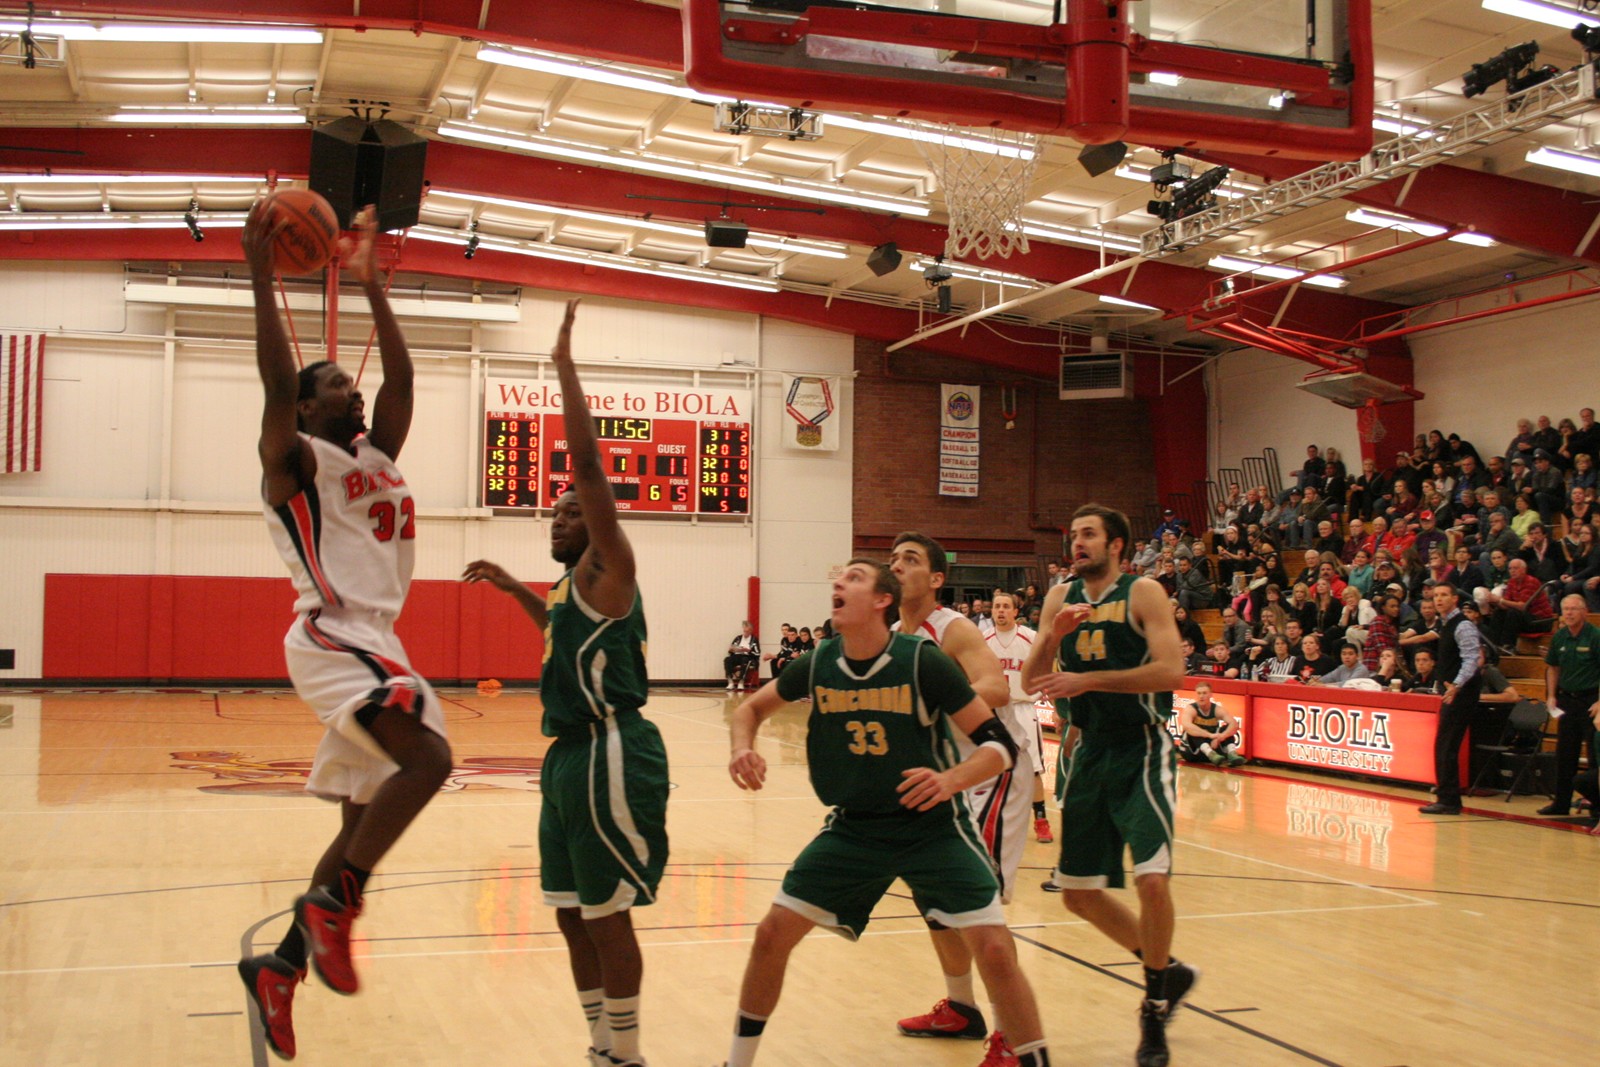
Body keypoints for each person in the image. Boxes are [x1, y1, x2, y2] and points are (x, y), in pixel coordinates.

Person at [237, 205, 454, 1061]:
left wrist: (370, 287)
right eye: (335, 386)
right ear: (303, 406)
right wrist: (260, 274)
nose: (354, 393)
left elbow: (401, 379)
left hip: (377, 640)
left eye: (351, 387)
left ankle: (283, 964)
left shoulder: (378, 452)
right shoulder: (291, 460)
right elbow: (271, 380)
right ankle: (336, 906)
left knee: (360, 820)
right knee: (431, 758)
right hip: (330, 634)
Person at [725, 560, 1051, 1067]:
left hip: (934, 827)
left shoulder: (922, 660)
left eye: (853, 578)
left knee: (993, 949)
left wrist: (949, 780)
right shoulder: (818, 662)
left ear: (882, 600)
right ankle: (737, 1061)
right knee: (771, 935)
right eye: (837, 579)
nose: (838, 584)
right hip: (855, 828)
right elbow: (749, 709)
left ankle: (1032, 1055)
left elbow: (1001, 745)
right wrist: (741, 748)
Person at [463, 302, 667, 1067]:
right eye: (552, 510)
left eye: (572, 510)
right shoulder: (564, 588)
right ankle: (600, 1044)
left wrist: (563, 368)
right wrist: (514, 585)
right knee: (570, 912)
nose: (559, 515)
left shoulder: (609, 567)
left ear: (601, 523)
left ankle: (630, 1054)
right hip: (565, 757)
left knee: (607, 916)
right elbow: (556, 633)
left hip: (614, 749)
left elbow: (587, 467)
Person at [1022, 503, 1196, 1067]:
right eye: (1073, 535)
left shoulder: (1142, 592)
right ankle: (1166, 970)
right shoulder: (1059, 597)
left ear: (1116, 545)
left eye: (1089, 535)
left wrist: (1087, 677)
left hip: (1142, 748)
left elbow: (1172, 672)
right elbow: (1030, 679)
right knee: (1077, 893)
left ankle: (1152, 1010)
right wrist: (1054, 639)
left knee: (1151, 880)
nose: (1077, 543)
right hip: (1091, 750)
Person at [885, 532, 1020, 1057]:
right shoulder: (894, 632)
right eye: (893, 558)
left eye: (911, 559)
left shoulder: (953, 628)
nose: (897, 566)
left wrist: (930, 699)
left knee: (978, 907)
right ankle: (962, 1009)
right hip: (937, 778)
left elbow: (996, 686)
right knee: (934, 899)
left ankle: (1015, 1033)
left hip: (984, 774)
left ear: (937, 578)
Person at [985, 591, 1055, 844]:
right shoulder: (982, 640)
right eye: (996, 607)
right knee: (988, 769)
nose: (1000, 611)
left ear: (1016, 612)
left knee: (1033, 769)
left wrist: (1057, 709)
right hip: (992, 711)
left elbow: (1046, 671)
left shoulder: (1030, 638)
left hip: (1023, 709)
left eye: (1006, 606)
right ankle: (990, 820)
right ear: (991, 611)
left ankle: (1040, 820)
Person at [1420, 585, 1483, 815]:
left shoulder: (1463, 625)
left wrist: (1456, 685)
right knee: (1444, 745)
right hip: (1450, 693)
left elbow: (1471, 659)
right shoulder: (1444, 624)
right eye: (1435, 595)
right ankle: (1447, 797)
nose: (1438, 599)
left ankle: (1448, 800)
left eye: (1444, 595)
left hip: (1461, 694)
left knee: (1446, 746)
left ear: (1455, 599)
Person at [1539, 594, 1600, 816]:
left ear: (1584, 611)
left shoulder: (1595, 636)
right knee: (1565, 754)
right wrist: (1551, 696)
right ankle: (1561, 802)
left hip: (1590, 700)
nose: (1569, 613)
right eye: (1565, 609)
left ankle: (1596, 804)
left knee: (1594, 754)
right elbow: (1553, 667)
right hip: (1566, 700)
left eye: (1574, 609)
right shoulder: (1560, 637)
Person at [1177, 682, 1245, 766]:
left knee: (1226, 728)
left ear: (1211, 695)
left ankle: (1232, 753)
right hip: (1192, 752)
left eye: (1204, 693)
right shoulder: (1191, 709)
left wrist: (1221, 737)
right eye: (1199, 693)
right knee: (1193, 730)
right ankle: (1210, 754)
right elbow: (1187, 726)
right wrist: (1209, 735)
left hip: (1213, 747)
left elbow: (1234, 724)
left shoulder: (1217, 709)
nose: (1201, 696)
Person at [725, 620, 761, 690]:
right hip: (737, 655)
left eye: (747, 632)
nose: (745, 633)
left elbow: (757, 653)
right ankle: (730, 681)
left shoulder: (754, 640)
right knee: (727, 660)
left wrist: (749, 651)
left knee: (744, 660)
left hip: (747, 656)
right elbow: (731, 649)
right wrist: (732, 649)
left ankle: (741, 681)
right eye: (744, 631)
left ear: (750, 631)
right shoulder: (738, 638)